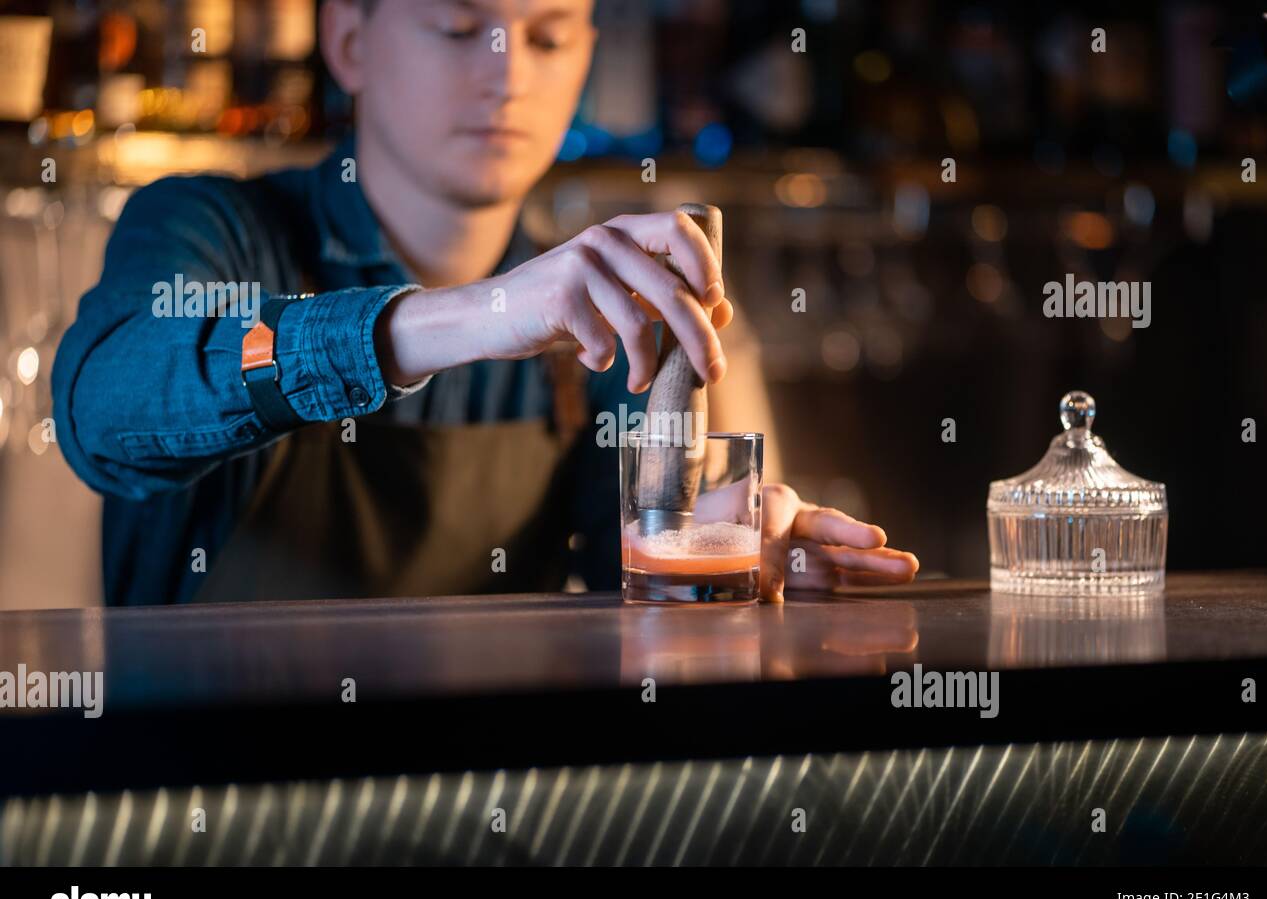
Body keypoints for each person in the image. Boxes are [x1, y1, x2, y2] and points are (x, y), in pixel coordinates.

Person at [52, 0, 918, 605]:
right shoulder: (208, 227)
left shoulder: (602, 318)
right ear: (349, 38)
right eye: (461, 27)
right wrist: (477, 316)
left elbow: (635, 584)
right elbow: (103, 415)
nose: (507, 77)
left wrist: (721, 542)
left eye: (546, 37)